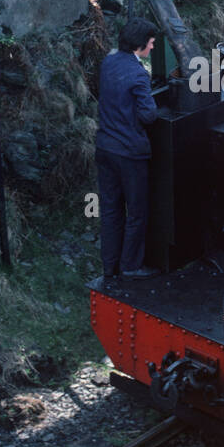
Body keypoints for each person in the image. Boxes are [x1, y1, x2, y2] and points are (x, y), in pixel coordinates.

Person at [96, 17, 162, 282]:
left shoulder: (108, 61)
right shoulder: (138, 74)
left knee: (111, 210)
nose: (153, 48)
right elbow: (148, 116)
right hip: (129, 154)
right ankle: (130, 266)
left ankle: (109, 266)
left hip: (104, 148)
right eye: (151, 43)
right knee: (136, 211)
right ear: (140, 46)